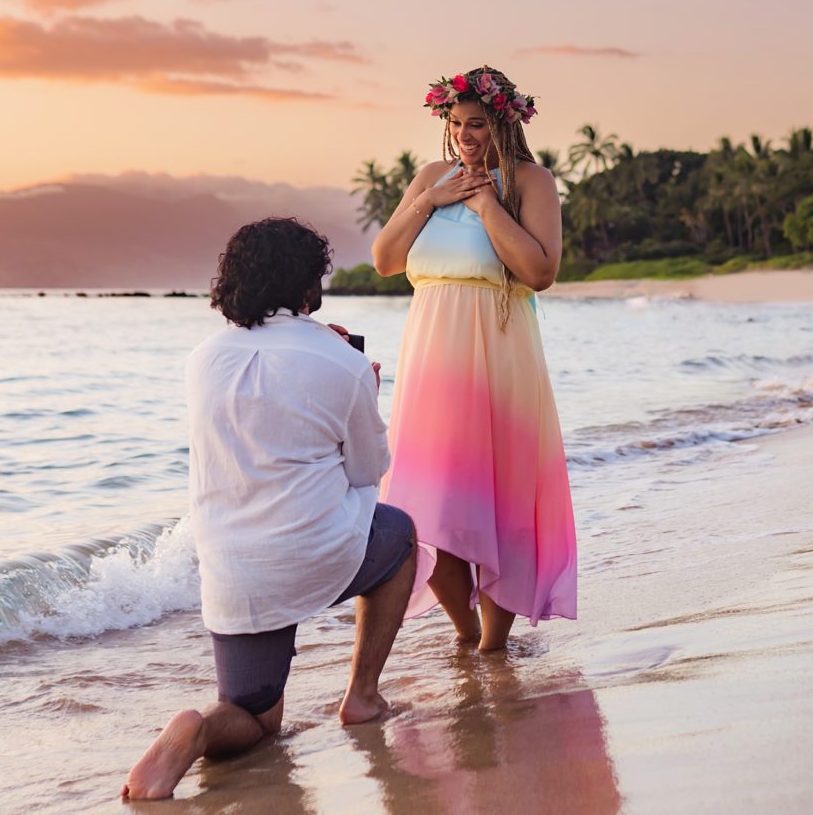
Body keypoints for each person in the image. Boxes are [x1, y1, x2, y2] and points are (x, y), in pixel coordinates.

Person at [121, 217, 417, 801]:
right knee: (401, 535)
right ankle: (361, 695)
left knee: (255, 719)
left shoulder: (204, 360)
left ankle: (199, 731)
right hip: (314, 552)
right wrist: (367, 392)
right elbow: (367, 471)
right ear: (309, 285)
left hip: (235, 569)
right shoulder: (344, 363)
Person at [371, 66, 577, 652]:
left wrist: (487, 205)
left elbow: (540, 273)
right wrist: (431, 201)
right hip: (431, 362)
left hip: (500, 359)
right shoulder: (432, 178)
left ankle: (493, 645)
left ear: (503, 122)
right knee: (423, 509)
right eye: (456, 124)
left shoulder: (532, 183)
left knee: (496, 503)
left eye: (478, 124)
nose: (465, 135)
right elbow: (386, 259)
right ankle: (467, 634)